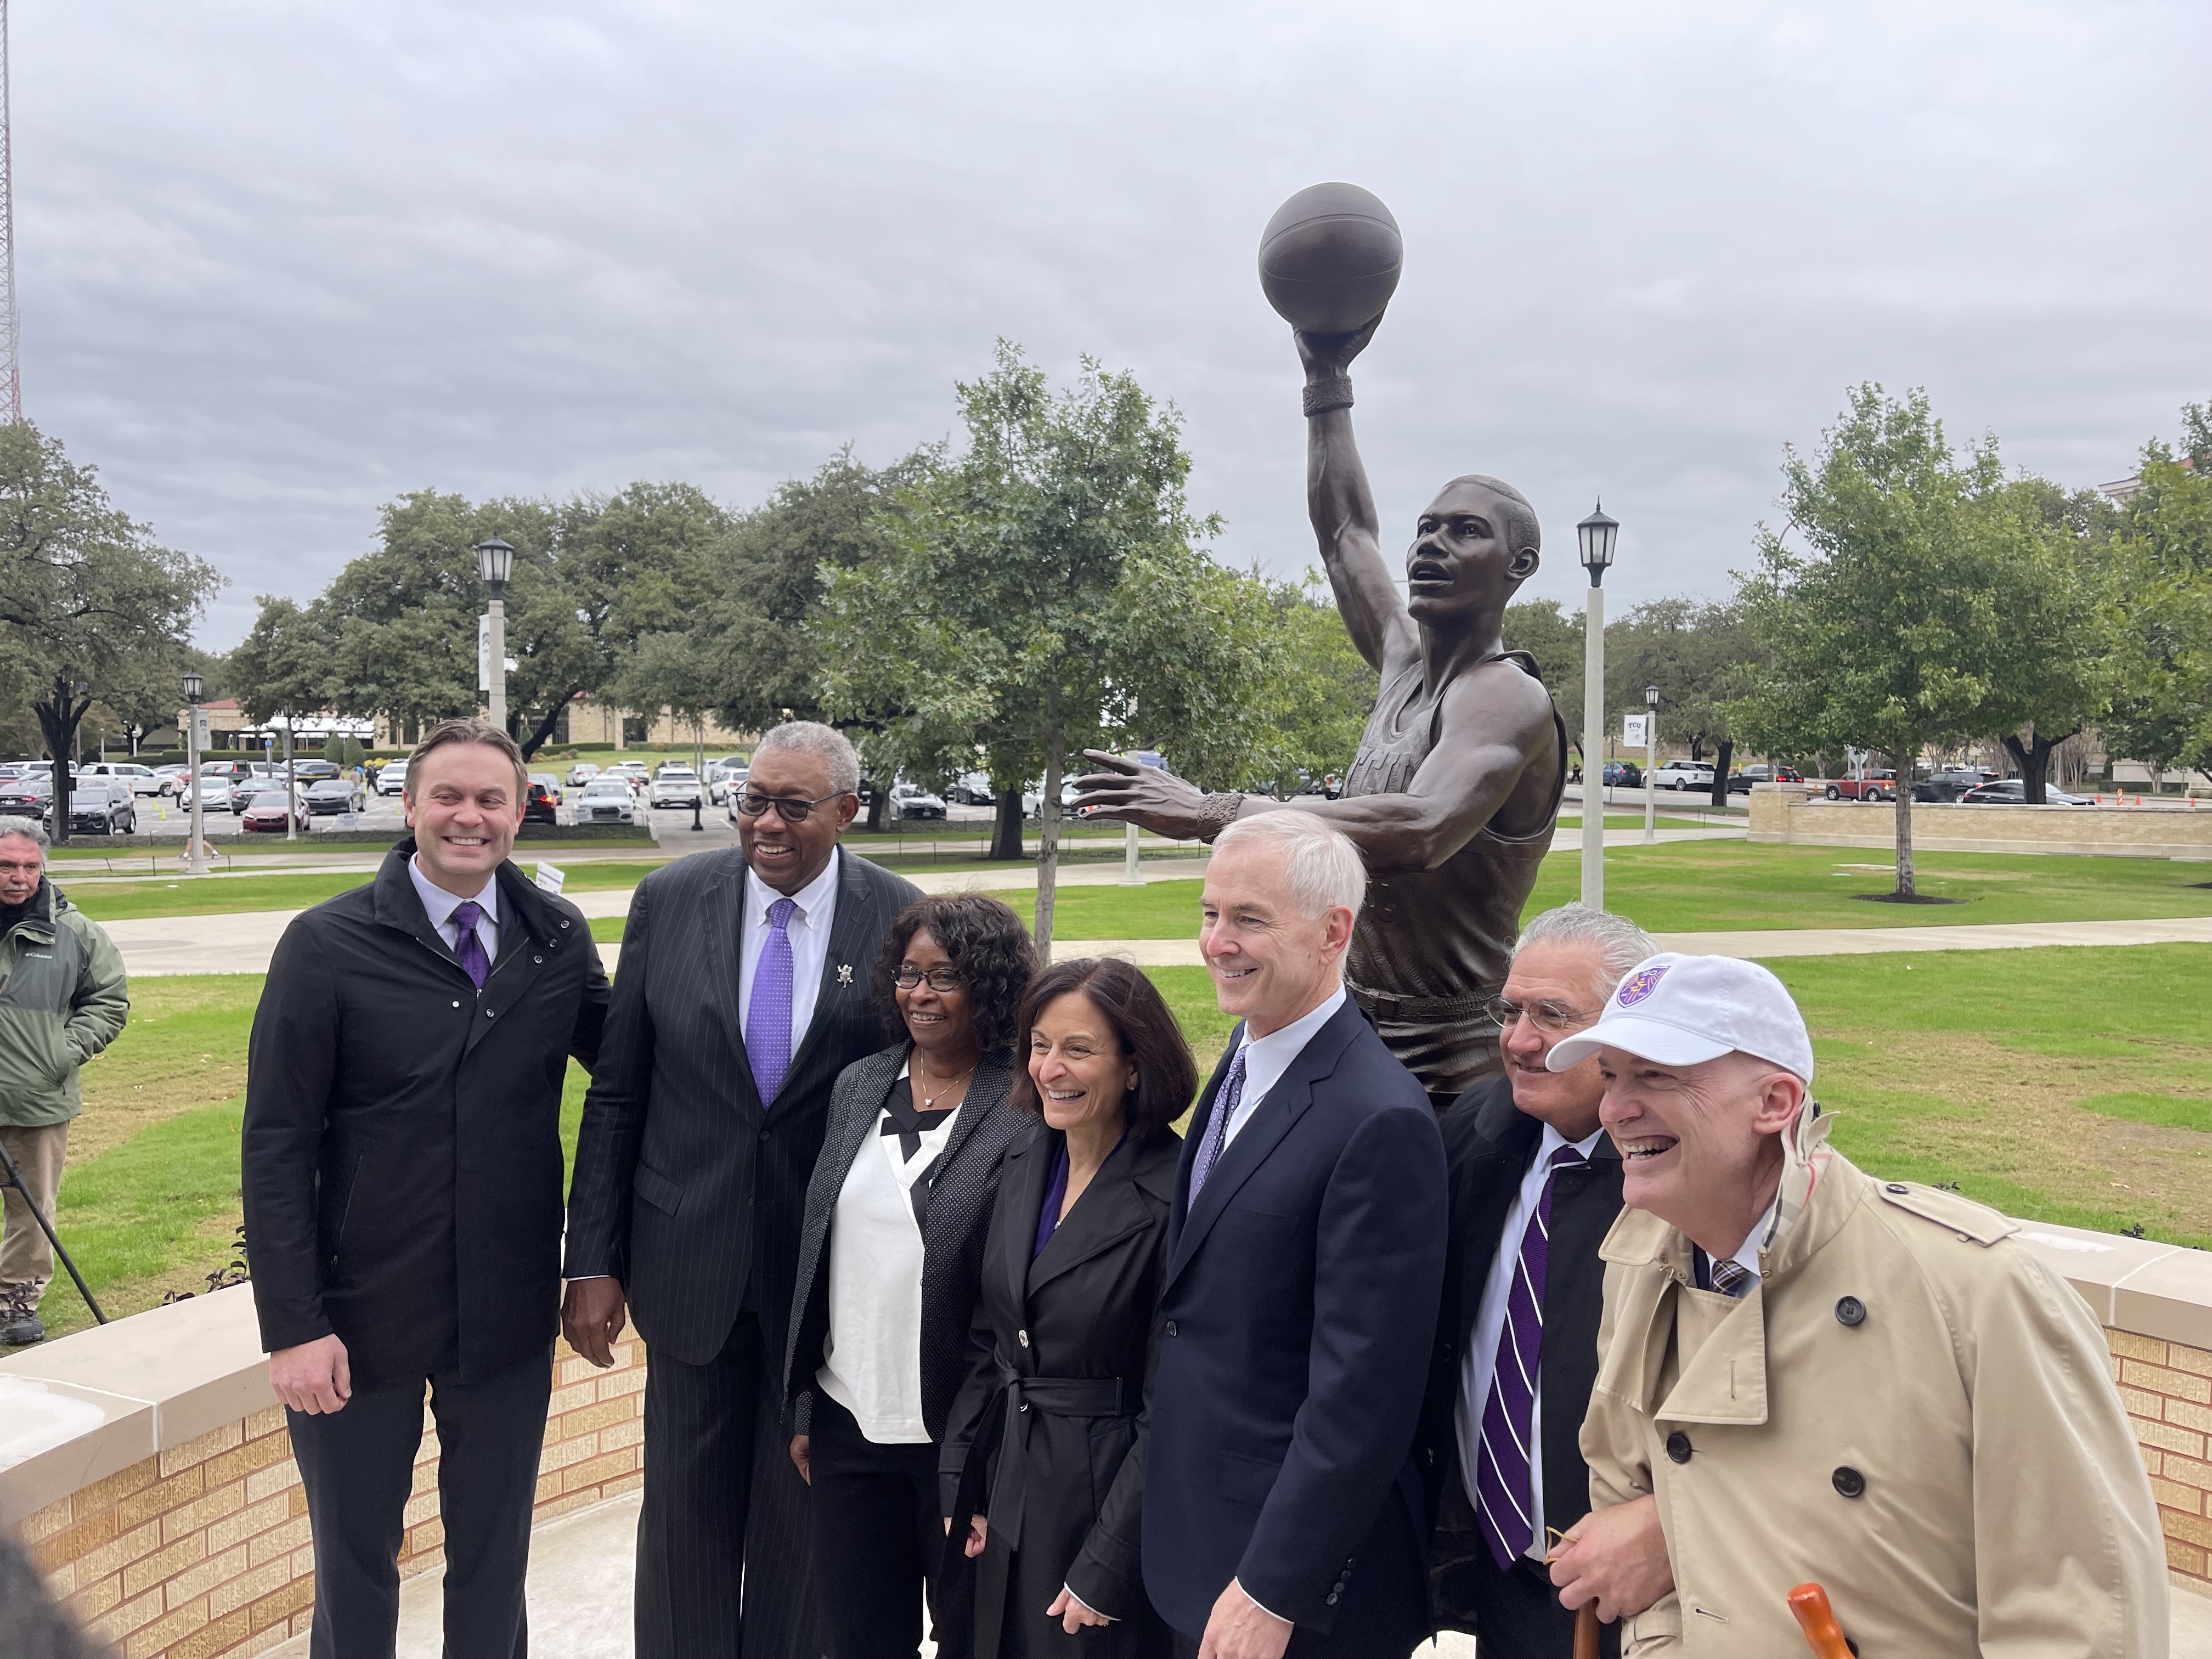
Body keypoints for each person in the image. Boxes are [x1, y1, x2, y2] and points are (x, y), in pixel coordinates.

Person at [1554, 952, 2170, 1655]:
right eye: (1611, 1076)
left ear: (1776, 1103)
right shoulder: (1637, 1263)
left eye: (1656, 1075)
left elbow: (2083, 1608)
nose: (1616, 1108)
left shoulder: (1974, 1289)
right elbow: (1625, 1508)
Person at [1071, 320, 1565, 1111]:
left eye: (1465, 532)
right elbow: (1345, 534)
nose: (1431, 545)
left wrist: (1215, 812)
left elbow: (1421, 826)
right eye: (1427, 529)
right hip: (1341, 1021)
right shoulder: (1405, 660)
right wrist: (1326, 380)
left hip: (1446, 1060)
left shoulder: (1505, 695)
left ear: (1519, 568)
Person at [242, 719, 609, 1659]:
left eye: (491, 798)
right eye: (447, 795)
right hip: (356, 1315)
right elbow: (276, 1143)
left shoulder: (556, 939)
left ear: (520, 813)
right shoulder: (326, 945)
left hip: (505, 1306)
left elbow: (635, 1073)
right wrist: (292, 1323)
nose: (468, 816)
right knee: (356, 1560)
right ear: (407, 807)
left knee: (494, 1555)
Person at [562, 719, 922, 1659]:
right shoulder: (670, 898)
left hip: (828, 1279)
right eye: (751, 798)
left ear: (846, 810)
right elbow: (617, 1090)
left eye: (792, 805)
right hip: (688, 1265)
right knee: (683, 1525)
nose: (764, 821)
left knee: (801, 1528)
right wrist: (591, 1257)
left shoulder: (898, 919)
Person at [1143, 811, 1447, 1659]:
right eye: (1209, 913)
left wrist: (1274, 1588)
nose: (1215, 942)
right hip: (1200, 1548)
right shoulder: (1246, 1060)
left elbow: (1364, 1400)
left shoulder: (1378, 1119)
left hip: (1291, 1601)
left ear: (1332, 933)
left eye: (1248, 919)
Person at [780, 894, 1039, 1658]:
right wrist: (804, 1404)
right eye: (907, 974)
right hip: (846, 1424)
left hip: (962, 1441)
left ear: (987, 987)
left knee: (973, 1640)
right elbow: (821, 1253)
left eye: (944, 977)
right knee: (858, 1640)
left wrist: (994, 1444)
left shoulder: (1024, 1104)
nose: (918, 994)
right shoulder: (860, 1084)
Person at [1417, 904, 1670, 1658]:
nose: (1519, 1041)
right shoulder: (1481, 1128)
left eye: (1551, 1017)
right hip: (1498, 1569)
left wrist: (1676, 1520)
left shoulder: (1689, 1180)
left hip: (1641, 1590)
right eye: (1511, 1010)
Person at [943, 957, 1195, 1659]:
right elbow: (988, 1341)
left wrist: (1108, 1560)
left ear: (1135, 1067)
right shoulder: (1025, 1161)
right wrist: (960, 1485)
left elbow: (1170, 1406)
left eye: (1079, 1050)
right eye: (1041, 1045)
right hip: (1007, 1486)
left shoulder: (1175, 1200)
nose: (1051, 1068)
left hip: (1101, 1506)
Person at [0, 822, 127, 1348]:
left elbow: (110, 1001)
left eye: (30, 866)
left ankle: (17, 1299)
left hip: (38, 1099)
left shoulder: (75, 933)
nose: (19, 877)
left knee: (30, 1207)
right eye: (7, 865)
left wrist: (60, 1053)